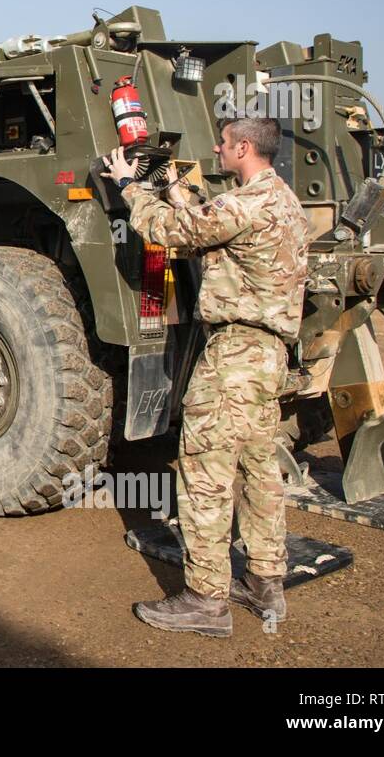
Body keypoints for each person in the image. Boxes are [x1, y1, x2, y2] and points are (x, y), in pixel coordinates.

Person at [102, 115, 308, 637]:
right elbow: (212, 226)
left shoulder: (245, 203)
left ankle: (206, 600)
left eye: (222, 143)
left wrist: (129, 184)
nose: (216, 149)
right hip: (269, 358)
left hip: (234, 356)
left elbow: (170, 234)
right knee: (260, 469)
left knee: (205, 472)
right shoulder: (280, 199)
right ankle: (264, 580)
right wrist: (174, 187)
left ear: (243, 148)